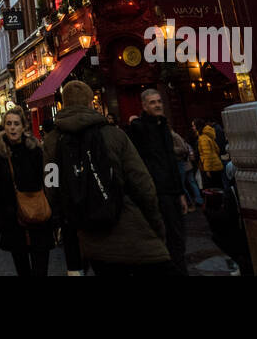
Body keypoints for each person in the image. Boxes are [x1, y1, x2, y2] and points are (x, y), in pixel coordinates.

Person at [43, 81, 172, 277]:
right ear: (90, 103)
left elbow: (51, 184)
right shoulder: (114, 134)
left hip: (86, 233)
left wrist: (63, 219)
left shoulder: (52, 141)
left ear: (63, 105)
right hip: (127, 225)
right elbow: (143, 184)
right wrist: (156, 224)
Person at [125, 87, 190, 275]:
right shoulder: (139, 128)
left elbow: (171, 160)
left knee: (177, 236)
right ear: (144, 106)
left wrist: (180, 193)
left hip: (171, 190)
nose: (158, 105)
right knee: (164, 236)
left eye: (159, 101)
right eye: (153, 102)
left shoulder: (163, 125)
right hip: (155, 191)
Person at [0, 106, 53, 277]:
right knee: (22, 268)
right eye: (9, 123)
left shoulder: (35, 149)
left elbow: (51, 175)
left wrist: (53, 204)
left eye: (16, 124)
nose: (12, 127)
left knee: (40, 269)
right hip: (13, 220)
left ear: (23, 127)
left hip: (38, 216)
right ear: (4, 126)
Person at [171, 129, 202, 208]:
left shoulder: (174, 136)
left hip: (184, 164)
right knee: (191, 183)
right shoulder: (176, 137)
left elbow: (183, 149)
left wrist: (171, 149)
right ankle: (198, 201)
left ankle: (192, 203)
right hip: (186, 164)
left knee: (183, 185)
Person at [197, 119, 224, 190]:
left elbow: (207, 155)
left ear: (198, 126)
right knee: (220, 187)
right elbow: (217, 149)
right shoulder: (209, 135)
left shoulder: (203, 138)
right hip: (216, 163)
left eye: (193, 126)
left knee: (215, 189)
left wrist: (207, 170)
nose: (192, 128)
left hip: (211, 167)